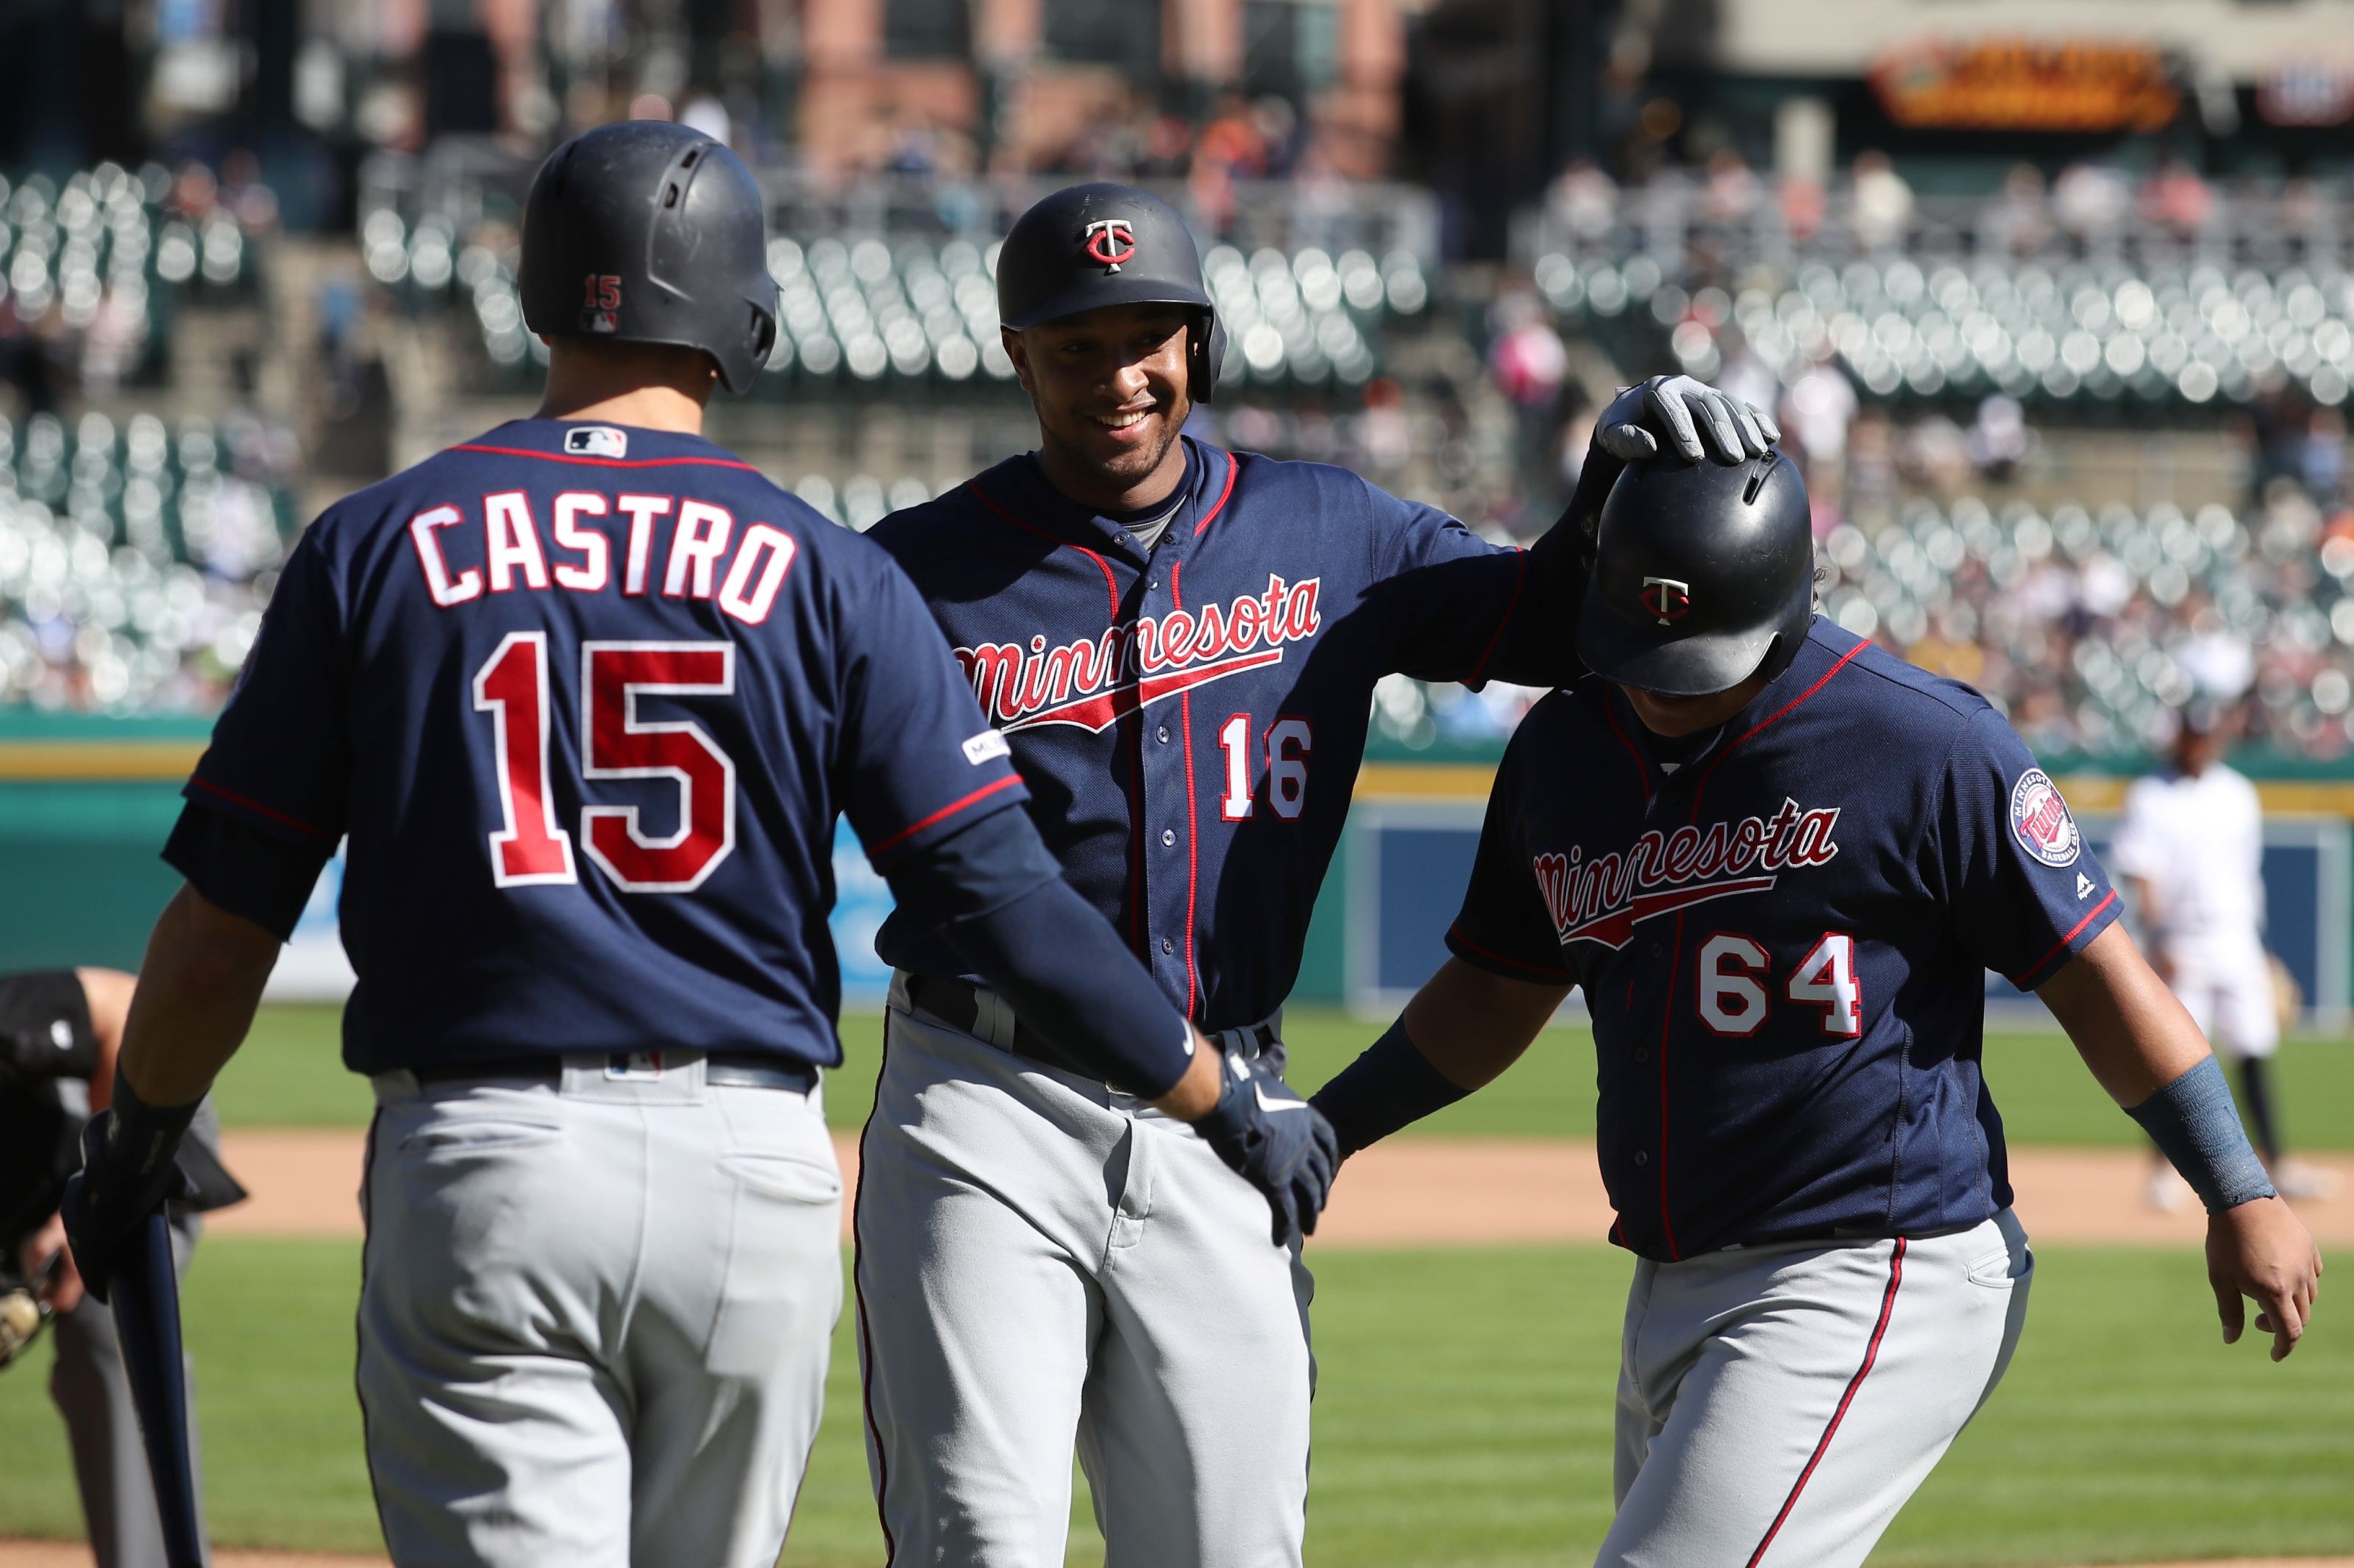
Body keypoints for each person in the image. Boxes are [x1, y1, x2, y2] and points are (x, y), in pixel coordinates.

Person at [58, 123, 1330, 1568]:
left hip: (488, 1153)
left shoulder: (377, 544)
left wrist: (138, 1140)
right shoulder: (828, 568)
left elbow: (225, 929)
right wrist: (1220, 1093)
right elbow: (1007, 900)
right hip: (749, 1173)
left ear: (538, 295)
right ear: (749, 320)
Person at [858, 178, 1778, 1567]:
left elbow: (1553, 626)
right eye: (1075, 345)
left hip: (1233, 1103)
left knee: (1233, 1547)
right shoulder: (915, 572)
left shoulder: (1328, 533)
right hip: (988, 1096)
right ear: (1017, 355)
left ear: (1199, 343)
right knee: (981, 1540)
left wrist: (1606, 495)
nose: (1120, 375)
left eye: (1147, 337)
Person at [1310, 450, 2323, 1568]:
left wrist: (2239, 1188)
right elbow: (1497, 991)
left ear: (1787, 611)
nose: (1662, 683)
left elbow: (2098, 980)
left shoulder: (1923, 743)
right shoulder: (1565, 748)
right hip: (1670, 1275)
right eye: (1637, 648)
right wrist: (1328, 1128)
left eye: (1698, 658)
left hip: (1876, 1264)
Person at [1, 968, 241, 1568]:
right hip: (21, 1194)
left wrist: (105, 1196)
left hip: (134, 1128)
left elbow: (124, 1010)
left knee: (109, 1330)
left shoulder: (12, 1015)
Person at [2113, 702, 2338, 1204]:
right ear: (2180, 737)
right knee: (2173, 1062)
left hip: (2236, 940)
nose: (2200, 743)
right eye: (2193, 735)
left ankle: (2278, 1163)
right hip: (2181, 942)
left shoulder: (2238, 793)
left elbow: (2247, 879)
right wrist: (2157, 939)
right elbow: (2142, 873)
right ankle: (2162, 1175)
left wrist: (2264, 951)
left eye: (2207, 735)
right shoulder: (2151, 794)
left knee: (2254, 1051)